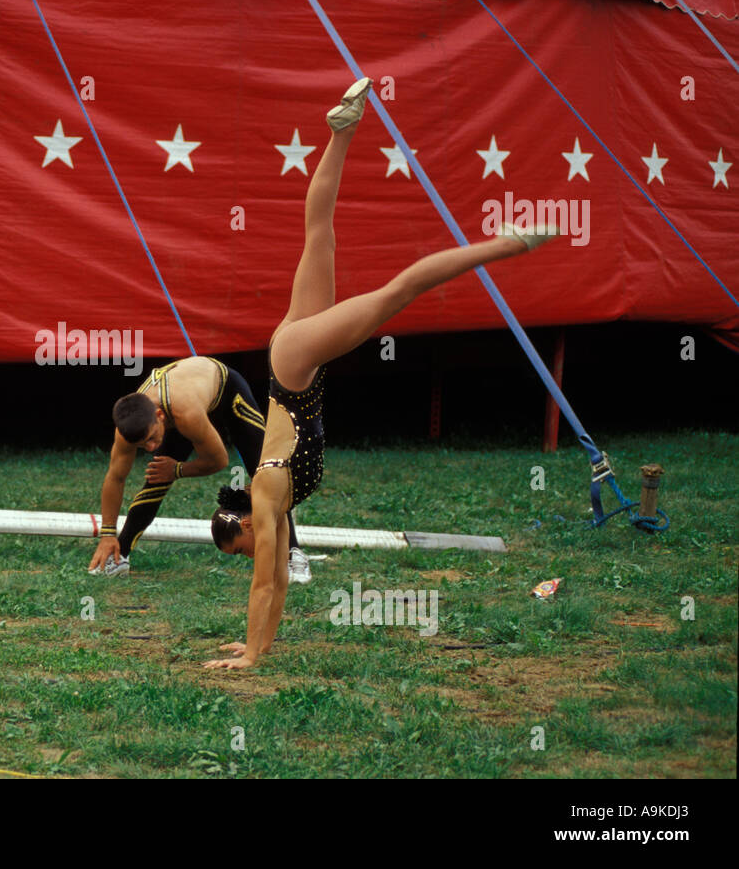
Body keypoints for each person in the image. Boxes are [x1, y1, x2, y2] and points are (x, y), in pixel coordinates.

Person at [204, 78, 558, 670]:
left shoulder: (264, 495)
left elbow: (264, 585)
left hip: (293, 367)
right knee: (320, 233)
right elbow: (280, 585)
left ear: (240, 522)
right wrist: (255, 651)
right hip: (296, 366)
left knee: (400, 290)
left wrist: (248, 661)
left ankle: (508, 243)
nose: (249, 555)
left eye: (239, 547)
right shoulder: (274, 501)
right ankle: (342, 129)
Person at [87, 356, 308, 580]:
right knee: (156, 479)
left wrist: (178, 470)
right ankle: (118, 556)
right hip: (184, 403)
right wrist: (107, 533)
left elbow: (219, 460)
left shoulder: (186, 414)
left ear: (159, 416)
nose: (151, 447)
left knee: (267, 472)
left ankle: (293, 553)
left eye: (152, 438)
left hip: (227, 391)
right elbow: (115, 478)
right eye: (143, 445)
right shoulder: (127, 431)